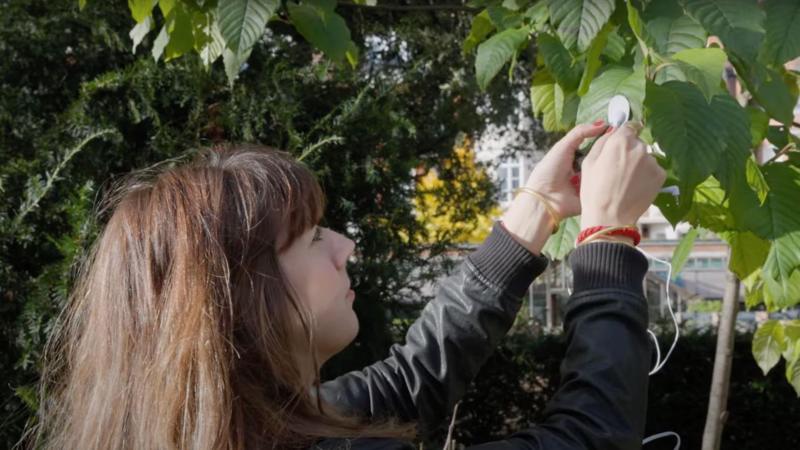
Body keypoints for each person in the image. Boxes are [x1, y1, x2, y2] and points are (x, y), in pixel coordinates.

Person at [31, 120, 665, 450]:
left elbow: (414, 379)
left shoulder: (266, 428)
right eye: (311, 238)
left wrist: (538, 208)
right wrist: (608, 241)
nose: (344, 246)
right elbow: (589, 442)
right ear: (240, 300)